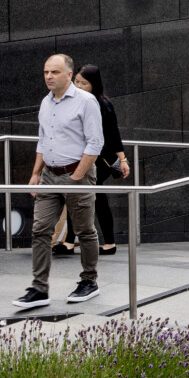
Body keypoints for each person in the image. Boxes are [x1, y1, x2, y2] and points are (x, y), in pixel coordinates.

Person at [13, 55, 106, 311]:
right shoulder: (46, 102)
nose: (48, 76)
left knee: (85, 230)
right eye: (45, 72)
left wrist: (77, 176)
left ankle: (89, 281)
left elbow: (95, 142)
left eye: (54, 72)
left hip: (77, 173)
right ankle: (39, 288)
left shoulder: (86, 101)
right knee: (40, 229)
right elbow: (43, 140)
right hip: (49, 176)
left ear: (69, 74)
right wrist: (35, 173)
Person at [57, 64, 129, 257]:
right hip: (81, 157)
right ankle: (75, 241)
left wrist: (123, 159)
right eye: (76, 81)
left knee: (90, 199)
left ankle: (94, 242)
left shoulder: (101, 104)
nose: (78, 86)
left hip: (100, 159)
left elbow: (114, 134)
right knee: (82, 198)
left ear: (94, 84)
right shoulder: (74, 101)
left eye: (84, 83)